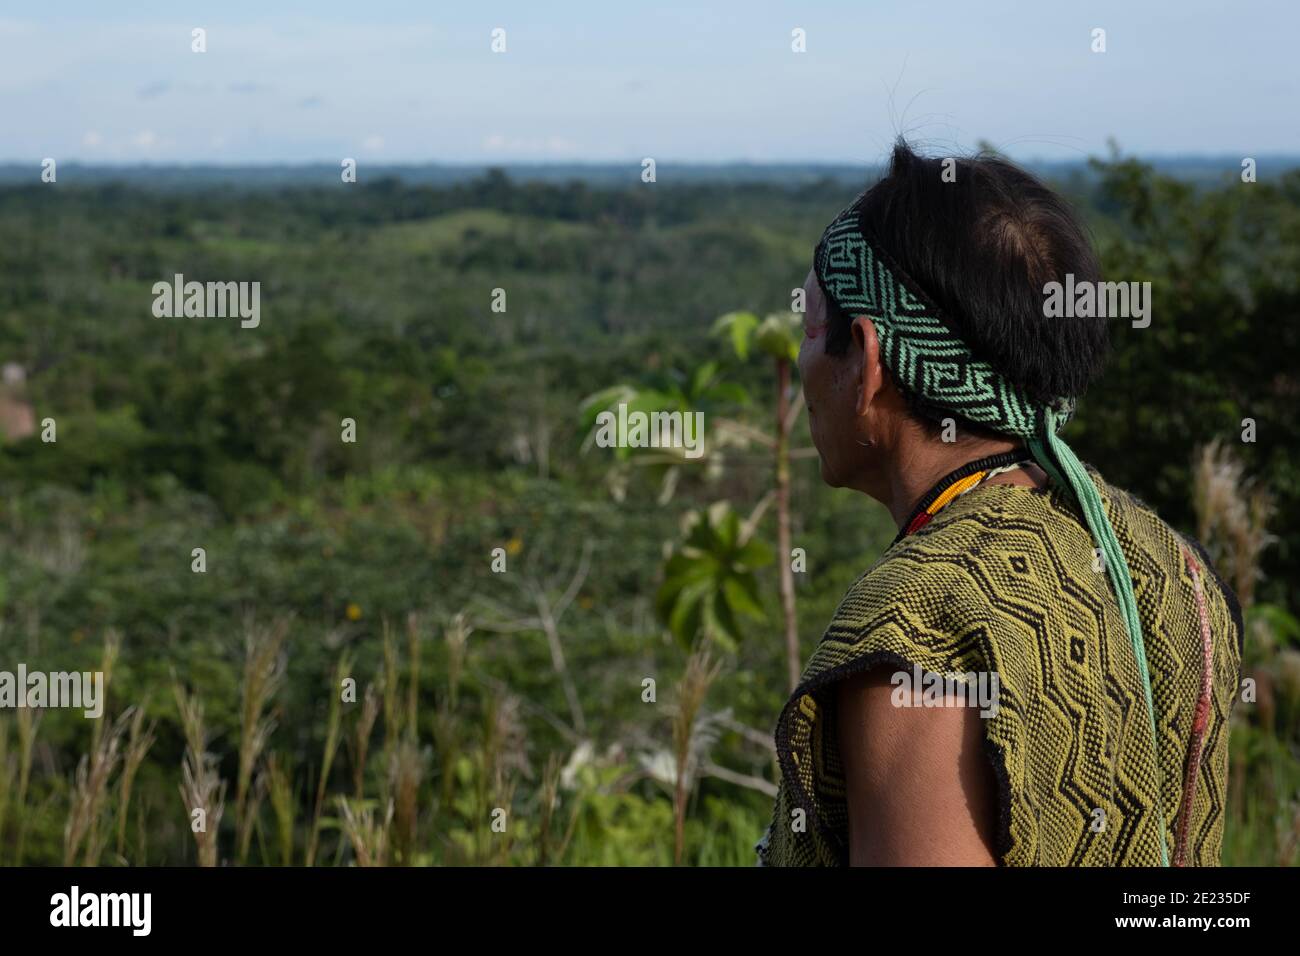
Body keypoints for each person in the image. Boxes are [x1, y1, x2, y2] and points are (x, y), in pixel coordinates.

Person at [758, 143, 1243, 867]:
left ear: (867, 360)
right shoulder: (1167, 560)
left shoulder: (920, 623)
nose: (799, 364)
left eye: (808, 330)